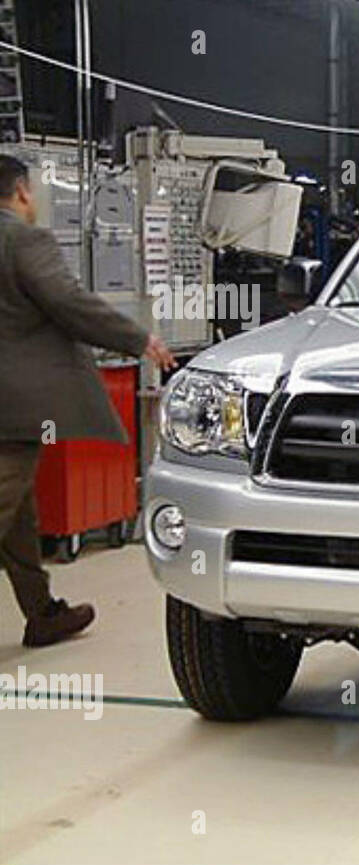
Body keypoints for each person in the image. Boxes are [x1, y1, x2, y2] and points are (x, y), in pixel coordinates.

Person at [0, 154, 175, 647]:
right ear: (21, 193)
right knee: (4, 500)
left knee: (18, 513)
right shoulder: (24, 238)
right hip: (13, 410)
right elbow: (69, 301)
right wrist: (138, 340)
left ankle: (43, 613)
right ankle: (43, 612)